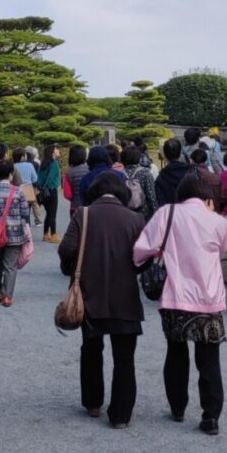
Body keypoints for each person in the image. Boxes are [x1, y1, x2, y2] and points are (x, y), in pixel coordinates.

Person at [133, 171, 227, 435]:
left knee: (175, 352)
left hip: (175, 295)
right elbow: (223, 250)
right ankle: (211, 416)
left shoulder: (167, 213)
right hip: (208, 297)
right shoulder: (217, 221)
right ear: (207, 197)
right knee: (209, 357)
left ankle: (178, 407)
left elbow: (141, 250)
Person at [61, 171, 147, 428]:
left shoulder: (83, 215)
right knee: (125, 357)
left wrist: (73, 269)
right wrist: (133, 270)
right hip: (125, 296)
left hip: (90, 293)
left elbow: (66, 248)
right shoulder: (135, 218)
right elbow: (144, 256)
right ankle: (120, 415)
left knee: (91, 348)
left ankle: (93, 402)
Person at [0, 160, 36, 306]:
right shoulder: (17, 191)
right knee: (10, 266)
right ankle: (7, 296)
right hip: (14, 234)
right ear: (11, 175)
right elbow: (25, 212)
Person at [153, 138, 195, 208]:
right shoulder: (193, 172)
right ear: (180, 153)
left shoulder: (160, 178)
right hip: (190, 214)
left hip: (170, 215)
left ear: (165, 154)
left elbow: (161, 205)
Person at [38, 144, 64, 243]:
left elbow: (39, 178)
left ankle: (45, 234)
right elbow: (51, 178)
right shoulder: (54, 164)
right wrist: (47, 186)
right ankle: (53, 234)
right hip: (51, 191)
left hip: (43, 192)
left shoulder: (43, 163)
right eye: (56, 149)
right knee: (52, 214)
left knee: (48, 213)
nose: (58, 150)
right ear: (52, 152)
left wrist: (42, 188)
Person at [121, 145, 157, 215]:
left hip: (124, 215)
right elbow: (151, 197)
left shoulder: (119, 174)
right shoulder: (145, 173)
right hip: (143, 214)